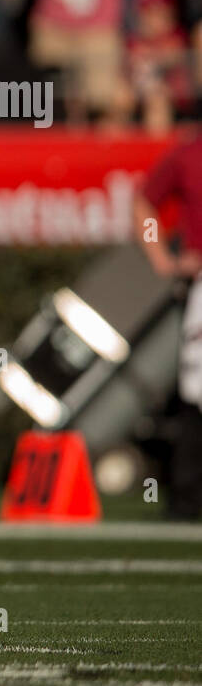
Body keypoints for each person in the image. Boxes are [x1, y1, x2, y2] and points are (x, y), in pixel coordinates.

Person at [134, 133, 202, 519]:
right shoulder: (188, 155)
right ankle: (187, 496)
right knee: (195, 391)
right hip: (200, 286)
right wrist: (162, 258)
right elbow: (145, 205)